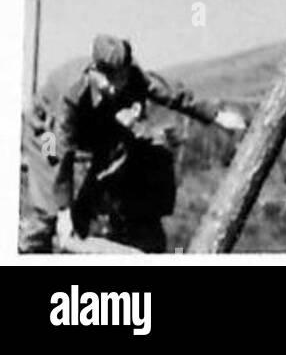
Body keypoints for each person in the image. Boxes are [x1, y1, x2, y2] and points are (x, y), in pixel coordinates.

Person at [19, 33, 245, 253]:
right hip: (46, 131)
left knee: (121, 158)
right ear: (93, 71)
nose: (116, 86)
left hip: (94, 125)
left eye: (122, 76)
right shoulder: (71, 94)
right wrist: (63, 210)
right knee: (48, 205)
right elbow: (62, 155)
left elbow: (172, 94)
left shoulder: (134, 77)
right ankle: (30, 247)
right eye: (109, 78)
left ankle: (86, 224)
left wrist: (216, 116)